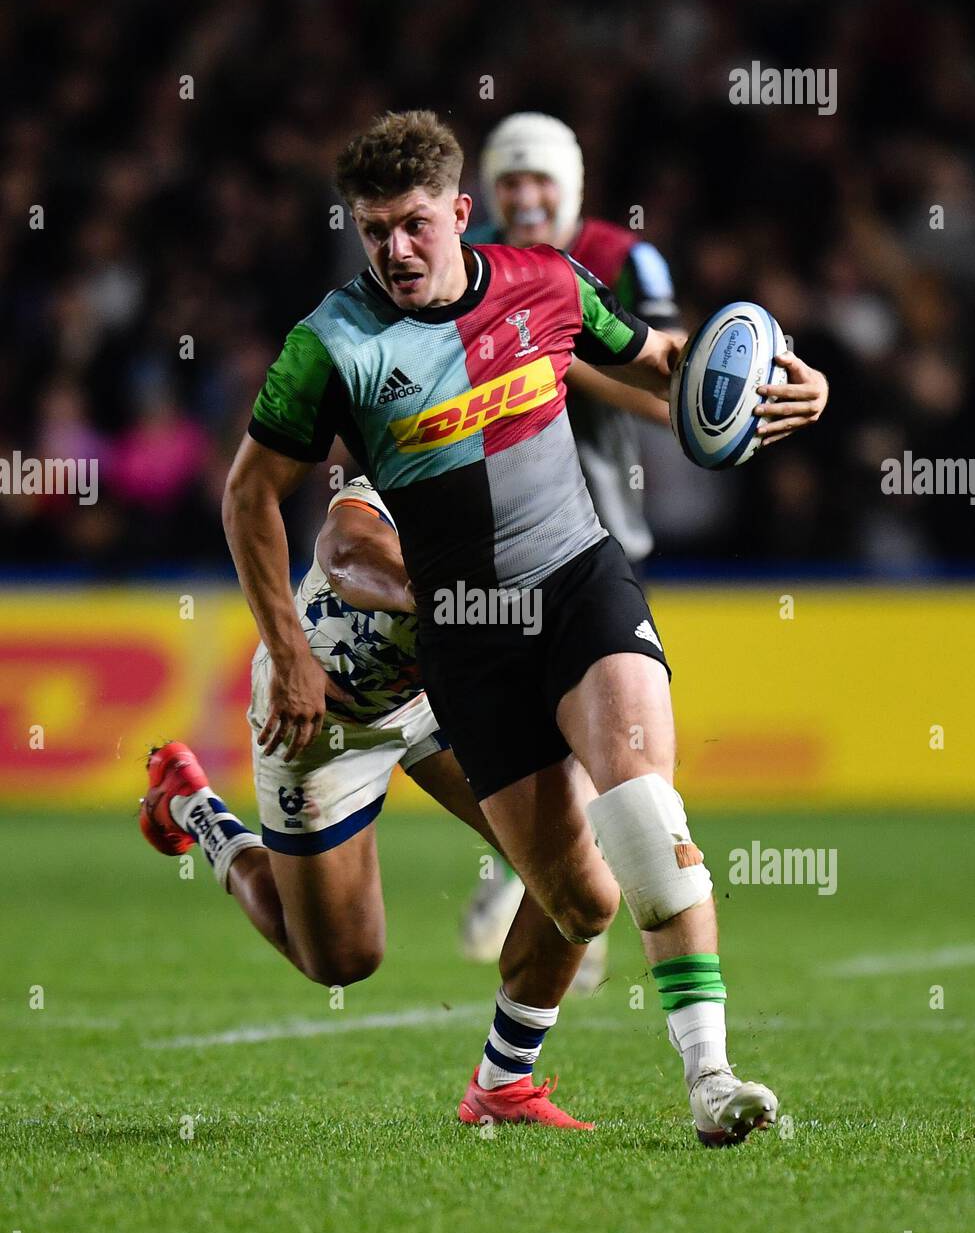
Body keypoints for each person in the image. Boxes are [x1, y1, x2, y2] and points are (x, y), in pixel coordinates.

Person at [220, 110, 829, 1143]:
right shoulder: (330, 346)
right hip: (468, 644)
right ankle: (500, 1081)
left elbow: (659, 361)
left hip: (580, 581)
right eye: (373, 232)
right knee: (574, 902)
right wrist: (286, 651)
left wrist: (779, 380)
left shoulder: (546, 284)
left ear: (459, 211)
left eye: (414, 224)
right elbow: (249, 496)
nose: (396, 251)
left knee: (645, 813)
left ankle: (713, 1079)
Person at [140, 474, 595, 1127]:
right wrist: (453, 605)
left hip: (438, 702)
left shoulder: (547, 490)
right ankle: (197, 811)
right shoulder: (429, 452)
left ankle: (503, 1082)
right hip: (322, 712)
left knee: (578, 870)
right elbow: (348, 550)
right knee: (343, 960)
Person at [462, 111, 680, 976]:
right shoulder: (459, 253)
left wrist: (549, 345)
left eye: (539, 180)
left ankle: (546, 885)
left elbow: (667, 389)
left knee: (601, 730)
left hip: (600, 531)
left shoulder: (626, 259)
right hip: (492, 536)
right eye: (508, 180)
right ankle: (545, 878)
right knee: (512, 730)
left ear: (572, 186)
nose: (522, 197)